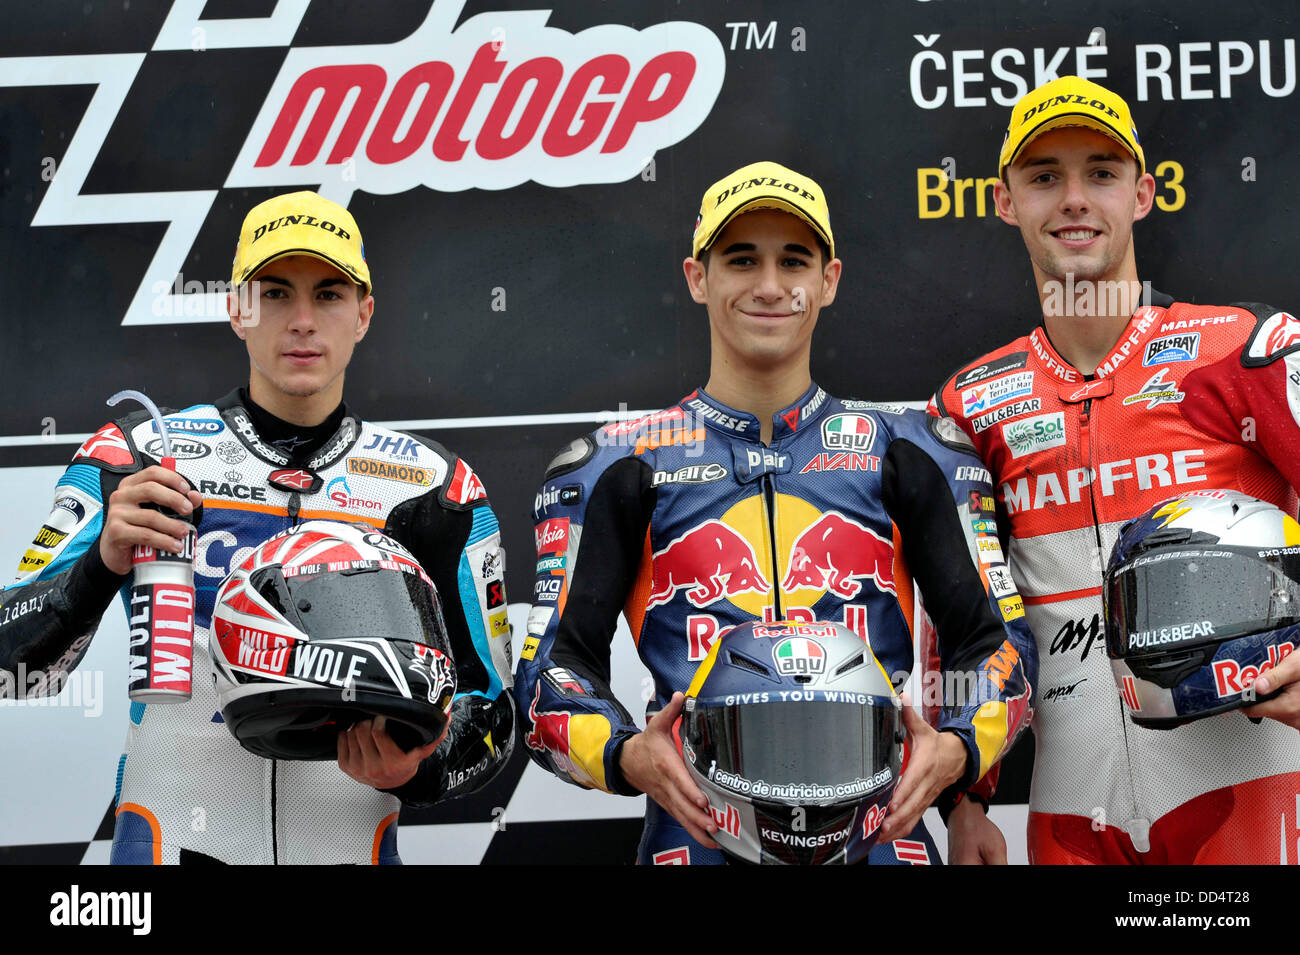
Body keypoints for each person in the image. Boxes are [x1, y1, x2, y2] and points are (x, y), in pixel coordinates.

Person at [515, 161, 1036, 865]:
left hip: (880, 832)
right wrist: (624, 752)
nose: (768, 285)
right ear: (698, 278)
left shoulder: (913, 451)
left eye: (794, 260)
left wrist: (958, 747)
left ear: (829, 280)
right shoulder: (616, 464)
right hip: (697, 830)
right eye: (741, 260)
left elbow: (996, 641)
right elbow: (551, 665)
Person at [0, 191, 515, 864]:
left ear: (363, 313)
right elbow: (13, 673)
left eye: (328, 295)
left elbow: (495, 718)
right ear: (236, 309)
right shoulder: (135, 453)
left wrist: (415, 767)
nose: (302, 321)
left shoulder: (434, 488)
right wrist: (99, 566)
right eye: (275, 294)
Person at [930, 75, 1300, 864]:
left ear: (1144, 193)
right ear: (1003, 201)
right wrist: (967, 800)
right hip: (1069, 815)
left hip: (1253, 782)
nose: (1073, 198)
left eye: (1101, 172)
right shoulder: (967, 407)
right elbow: (962, 619)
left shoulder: (1242, 349)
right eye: (1044, 177)